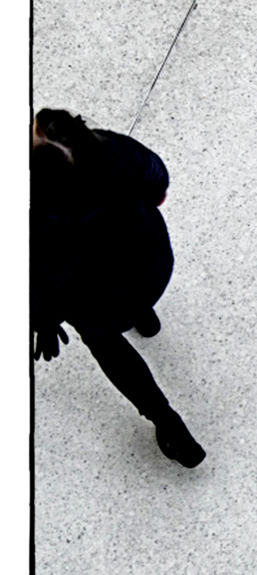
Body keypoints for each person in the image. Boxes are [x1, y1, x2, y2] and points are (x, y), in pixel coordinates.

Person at [32, 109, 204, 467]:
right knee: (129, 284)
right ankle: (146, 318)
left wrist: (43, 321)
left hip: (99, 307)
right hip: (153, 264)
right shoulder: (113, 151)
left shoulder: (38, 227)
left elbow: (43, 287)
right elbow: (157, 180)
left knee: (108, 346)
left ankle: (167, 423)